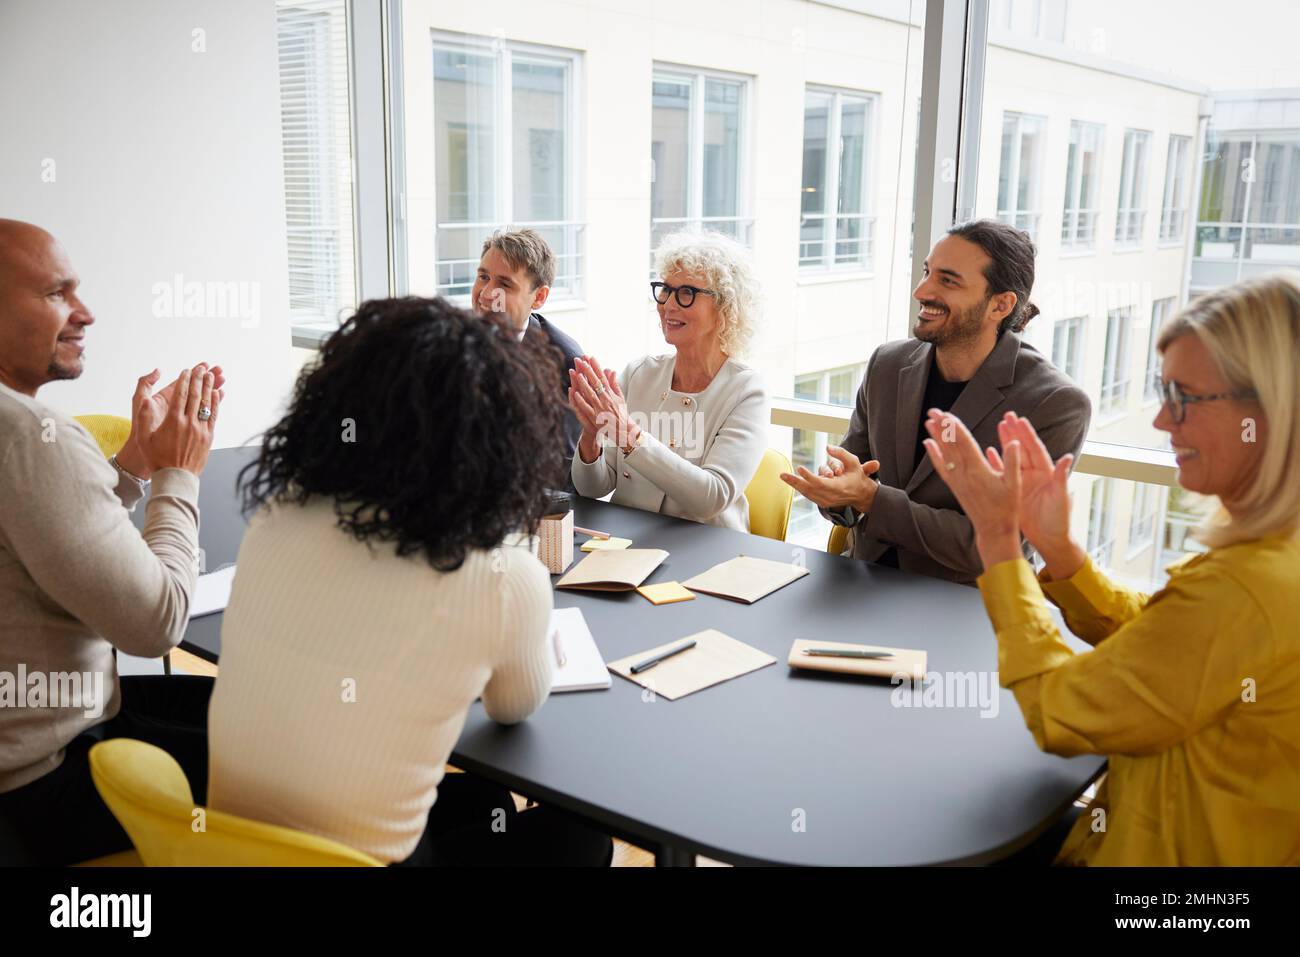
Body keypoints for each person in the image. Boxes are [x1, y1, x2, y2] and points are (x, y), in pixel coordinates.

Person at [208, 296, 611, 866]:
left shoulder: (279, 515)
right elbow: (513, 704)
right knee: (580, 836)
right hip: (364, 862)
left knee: (484, 799)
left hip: (238, 848)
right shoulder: (502, 577)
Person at [922, 272, 1300, 865]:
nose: (1161, 422)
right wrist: (1062, 552)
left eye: (1186, 397)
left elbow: (1058, 712)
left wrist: (998, 536)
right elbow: (1169, 648)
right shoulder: (1276, 554)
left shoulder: (1246, 586)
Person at [0, 219, 223, 865]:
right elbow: (157, 624)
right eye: (55, 294)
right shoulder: (26, 433)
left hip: (36, 751)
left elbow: (44, 545)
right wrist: (180, 472)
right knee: (299, 741)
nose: (85, 312)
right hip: (55, 780)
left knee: (258, 712)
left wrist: (131, 468)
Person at [781, 220, 1090, 583]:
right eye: (927, 272)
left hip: (969, 605)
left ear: (1001, 305)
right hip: (862, 585)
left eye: (948, 280)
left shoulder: (1056, 403)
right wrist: (835, 495)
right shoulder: (887, 364)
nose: (921, 290)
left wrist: (870, 499)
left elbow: (992, 547)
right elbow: (854, 483)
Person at [569, 231, 769, 531]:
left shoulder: (746, 392)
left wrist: (629, 436)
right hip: (628, 545)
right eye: (665, 289)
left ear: (725, 308)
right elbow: (592, 488)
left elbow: (712, 498)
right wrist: (591, 437)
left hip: (708, 553)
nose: (668, 305)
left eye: (686, 292)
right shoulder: (640, 373)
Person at [472, 228, 583, 487]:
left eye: (504, 284)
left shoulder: (565, 361)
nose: (487, 293)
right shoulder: (453, 343)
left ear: (539, 297)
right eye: (483, 277)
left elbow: (557, 469)